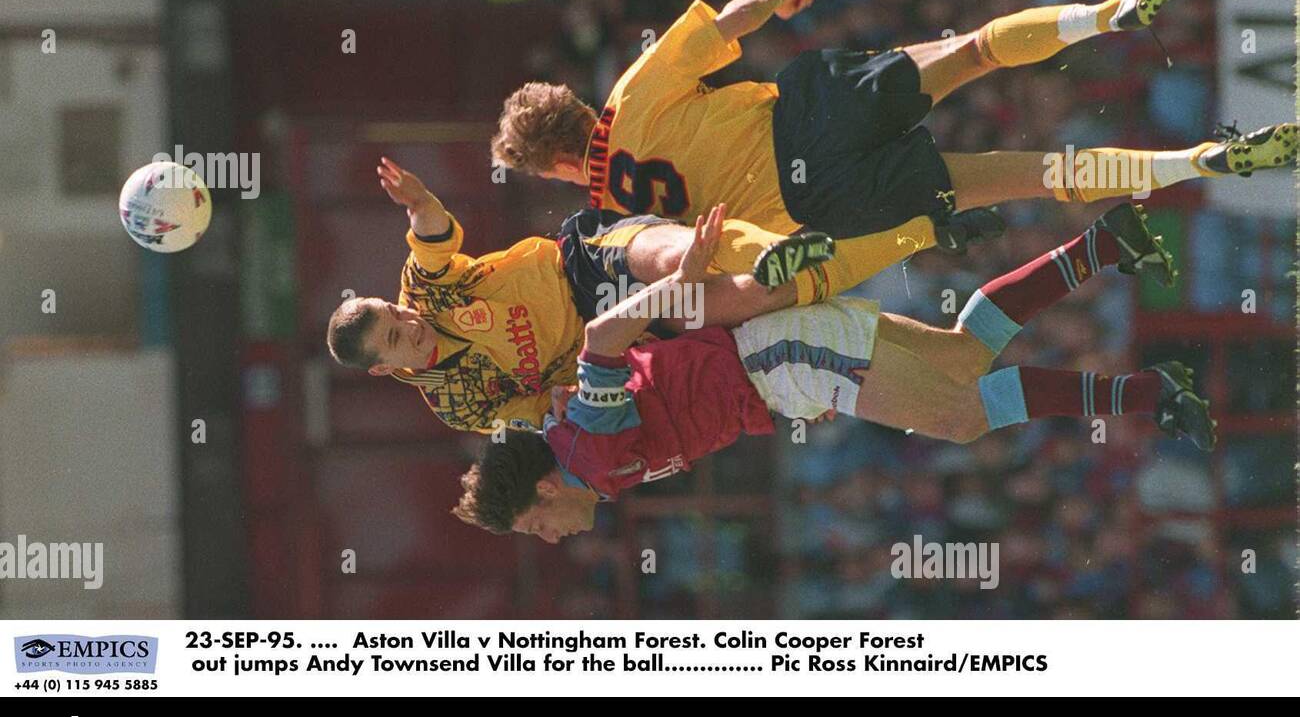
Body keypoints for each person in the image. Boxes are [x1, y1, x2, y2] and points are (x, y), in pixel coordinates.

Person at [492, 0, 1296, 299]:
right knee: (974, 50)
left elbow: (694, 274)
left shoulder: (612, 226)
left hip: (826, 203)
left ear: (554, 168)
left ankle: (1197, 162)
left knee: (1033, 176)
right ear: (577, 105)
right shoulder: (631, 91)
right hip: (810, 112)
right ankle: (1109, 13)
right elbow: (727, 26)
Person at [451, 202, 1215, 542]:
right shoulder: (586, 458)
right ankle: (1104, 246)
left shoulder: (586, 451)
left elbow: (604, 334)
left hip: (780, 361)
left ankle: (1149, 391)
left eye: (534, 526)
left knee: (960, 416)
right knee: (962, 354)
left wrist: (680, 276)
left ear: (544, 489)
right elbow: (681, 398)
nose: (548, 539)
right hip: (780, 371)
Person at [325, 158, 830, 432]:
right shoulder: (456, 405)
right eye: (395, 335)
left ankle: (775, 254)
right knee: (723, 308)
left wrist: (419, 202)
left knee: (674, 261)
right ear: (383, 368)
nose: (409, 321)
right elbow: (544, 411)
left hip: (579, 265)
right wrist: (565, 405)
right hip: (610, 342)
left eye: (393, 310)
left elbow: (432, 239)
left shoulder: (423, 292)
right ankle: (781, 278)